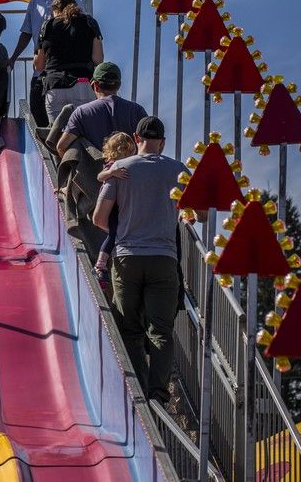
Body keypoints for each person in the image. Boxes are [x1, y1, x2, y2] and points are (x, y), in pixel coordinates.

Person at [91, 116, 187, 403]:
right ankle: (159, 394)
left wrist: (126, 233)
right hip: (164, 258)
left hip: (127, 259)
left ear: (136, 138)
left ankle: (138, 393)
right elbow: (196, 212)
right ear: (163, 142)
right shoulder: (178, 170)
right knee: (161, 329)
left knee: (130, 327)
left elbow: (98, 218)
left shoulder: (121, 169)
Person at [6, 0, 85, 127]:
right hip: (41, 67)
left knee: (69, 114)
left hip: (65, 68)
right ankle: (45, 148)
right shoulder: (35, 1)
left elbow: (83, 28)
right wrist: (13, 58)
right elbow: (26, 32)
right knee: (37, 110)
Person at [32, 0, 103, 123]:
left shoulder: (47, 26)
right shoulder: (89, 22)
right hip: (83, 83)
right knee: (86, 132)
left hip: (54, 85)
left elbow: (39, 66)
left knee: (58, 137)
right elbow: (98, 59)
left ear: (56, 10)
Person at [55, 62, 148, 157]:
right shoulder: (137, 110)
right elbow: (150, 146)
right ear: (119, 85)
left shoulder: (82, 112)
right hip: (130, 170)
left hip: (97, 171)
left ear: (95, 85)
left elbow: (61, 147)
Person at [92, 131, 136, 287]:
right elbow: (99, 177)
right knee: (113, 234)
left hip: (119, 204)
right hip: (111, 206)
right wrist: (112, 172)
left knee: (115, 234)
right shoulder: (112, 165)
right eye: (124, 152)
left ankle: (104, 267)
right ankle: (100, 266)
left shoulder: (125, 166)